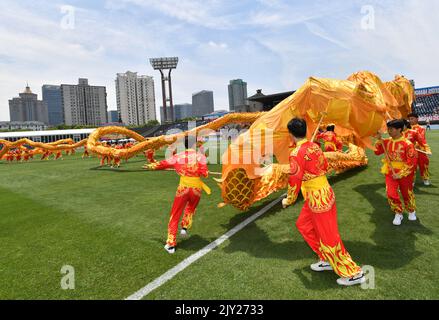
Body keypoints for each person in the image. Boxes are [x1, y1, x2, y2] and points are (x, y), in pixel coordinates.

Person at [283, 118, 365, 286]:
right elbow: (325, 165)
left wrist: (289, 199)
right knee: (303, 225)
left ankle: (353, 272)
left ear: (290, 134)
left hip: (318, 198)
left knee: (329, 237)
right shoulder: (314, 146)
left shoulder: (296, 153)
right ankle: (325, 258)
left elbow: (294, 179)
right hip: (320, 193)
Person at [143, 136, 210, 254]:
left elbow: (163, 164)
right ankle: (184, 227)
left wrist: (151, 166)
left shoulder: (178, 156)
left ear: (184, 145)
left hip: (183, 189)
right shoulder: (201, 157)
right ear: (195, 144)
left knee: (175, 214)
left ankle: (171, 244)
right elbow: (205, 174)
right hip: (196, 189)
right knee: (190, 208)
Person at [374, 120, 417, 225]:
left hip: (405, 173)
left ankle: (411, 210)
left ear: (399, 129)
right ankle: (398, 212)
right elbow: (377, 152)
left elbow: (412, 162)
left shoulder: (407, 144)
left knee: (406, 193)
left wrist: (401, 173)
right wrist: (379, 140)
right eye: (388, 129)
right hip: (390, 171)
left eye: (391, 129)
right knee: (391, 193)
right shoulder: (386, 141)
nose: (389, 131)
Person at [408, 113, 431, 186]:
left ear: (417, 119)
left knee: (423, 165)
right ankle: (411, 181)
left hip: (420, 150)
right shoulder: (407, 128)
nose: (410, 120)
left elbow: (421, 138)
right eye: (409, 119)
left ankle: (425, 179)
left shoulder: (421, 128)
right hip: (410, 151)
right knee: (411, 166)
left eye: (412, 118)